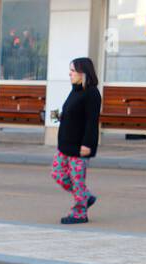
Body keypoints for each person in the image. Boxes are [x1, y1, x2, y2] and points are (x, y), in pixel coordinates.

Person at [53, 57, 102, 225]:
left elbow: (91, 121)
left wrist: (87, 144)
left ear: (83, 73)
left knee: (77, 179)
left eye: (73, 71)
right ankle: (86, 197)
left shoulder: (92, 93)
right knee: (58, 173)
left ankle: (80, 213)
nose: (70, 74)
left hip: (80, 146)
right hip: (65, 143)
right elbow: (74, 113)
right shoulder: (75, 90)